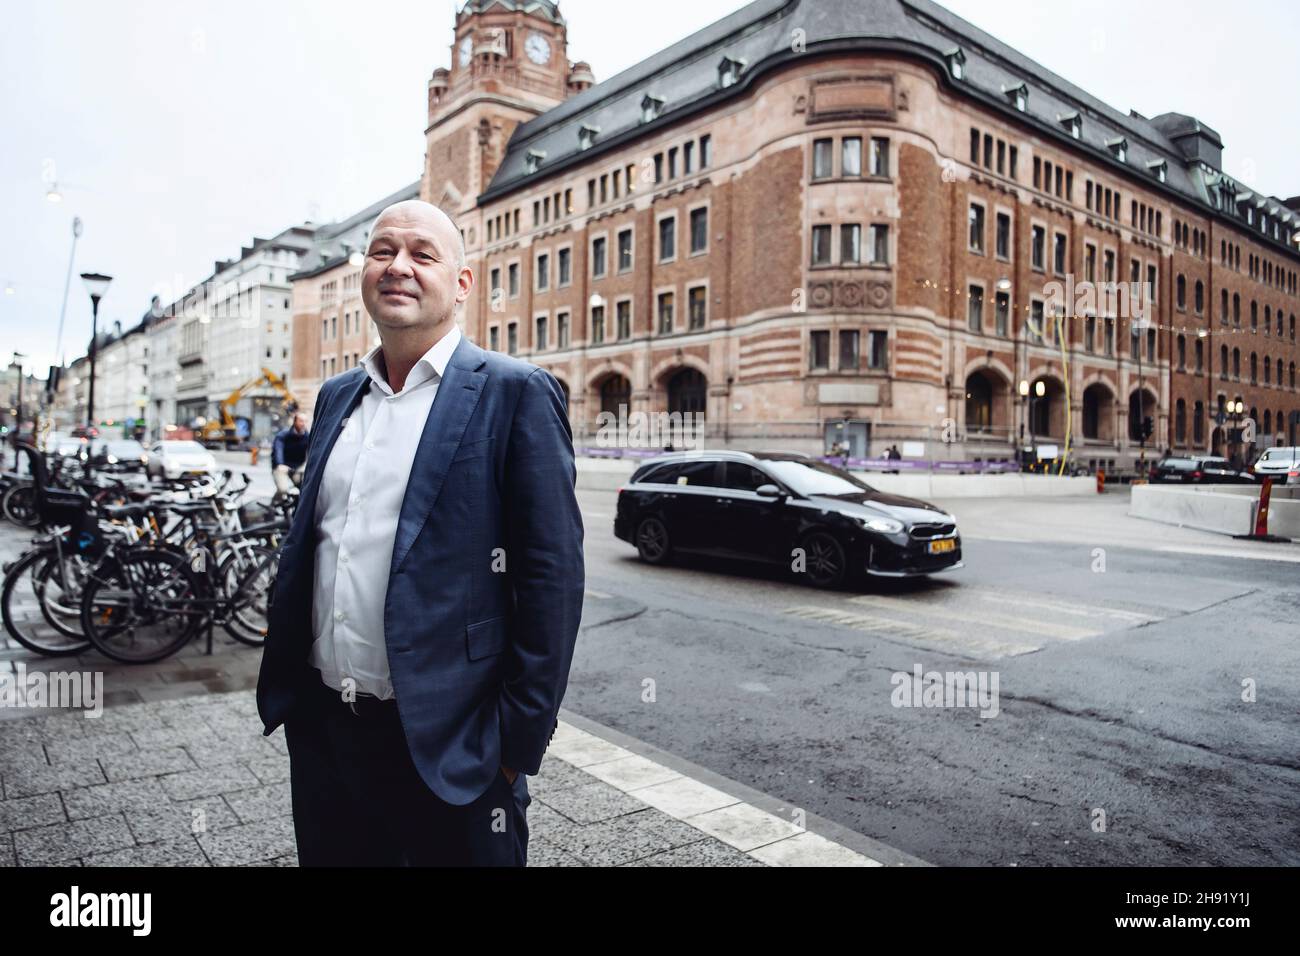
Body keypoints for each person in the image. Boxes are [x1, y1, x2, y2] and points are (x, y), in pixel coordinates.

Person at [256, 199, 585, 866]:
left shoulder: (515, 392)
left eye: (422, 254)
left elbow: (551, 582)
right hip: (324, 736)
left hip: (451, 750)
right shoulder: (336, 397)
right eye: (382, 252)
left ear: (460, 284)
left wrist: (512, 752)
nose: (397, 266)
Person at [271, 413, 311, 494]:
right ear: (295, 422)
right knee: (283, 489)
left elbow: (311, 452)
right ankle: (274, 504)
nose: (303, 424)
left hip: (297, 468)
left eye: (305, 421)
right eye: (301, 421)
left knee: (305, 489)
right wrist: (280, 463)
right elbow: (278, 449)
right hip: (282, 467)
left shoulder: (308, 437)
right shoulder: (283, 435)